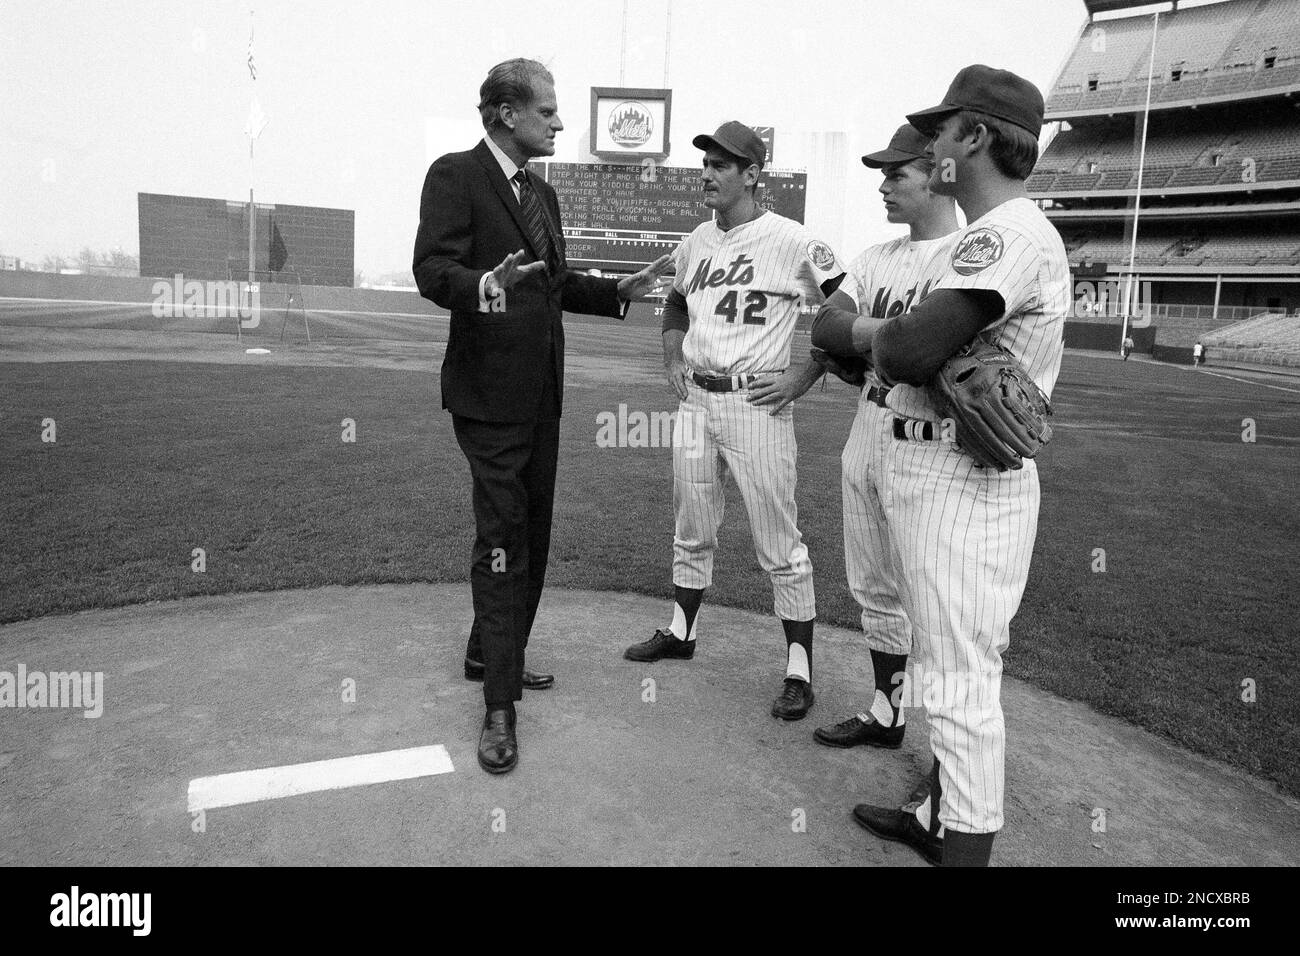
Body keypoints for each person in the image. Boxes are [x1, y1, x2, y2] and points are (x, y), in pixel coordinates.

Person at [413, 58, 670, 774]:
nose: (560, 122)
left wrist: (618, 288)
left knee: (533, 532)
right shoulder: (455, 176)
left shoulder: (542, 197)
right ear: (504, 113)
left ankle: (490, 654)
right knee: (502, 542)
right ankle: (499, 707)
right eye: (549, 111)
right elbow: (433, 271)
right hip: (488, 400)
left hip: (542, 399)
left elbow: (553, 285)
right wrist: (484, 285)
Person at [846, 65, 1070, 866]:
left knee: (958, 685)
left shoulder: (1007, 232)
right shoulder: (986, 235)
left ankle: (962, 845)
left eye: (943, 129)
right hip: (933, 468)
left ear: (975, 137)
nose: (932, 142)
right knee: (947, 672)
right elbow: (899, 346)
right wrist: (889, 337)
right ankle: (936, 816)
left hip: (962, 480)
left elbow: (904, 348)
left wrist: (872, 333)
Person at [621, 121, 845, 721]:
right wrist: (671, 356)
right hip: (697, 400)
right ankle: (682, 631)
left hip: (758, 405)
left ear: (752, 174)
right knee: (691, 523)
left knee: (778, 539)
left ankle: (798, 669)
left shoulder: (793, 240)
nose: (708, 173)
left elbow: (844, 310)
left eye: (722, 165)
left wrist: (804, 375)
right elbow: (673, 302)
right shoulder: (695, 241)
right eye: (707, 163)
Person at [809, 123, 961, 753]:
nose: (883, 184)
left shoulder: (971, 252)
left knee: (936, 598)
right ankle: (888, 711)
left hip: (935, 436)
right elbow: (824, 322)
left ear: (939, 174)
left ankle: (954, 751)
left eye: (898, 173)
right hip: (870, 425)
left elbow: (933, 354)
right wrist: (892, 334)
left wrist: (865, 337)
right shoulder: (876, 258)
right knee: (872, 584)